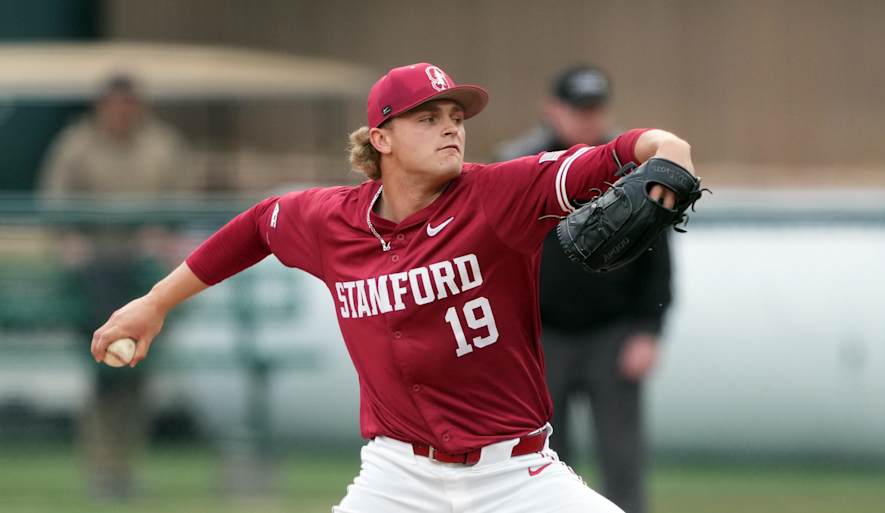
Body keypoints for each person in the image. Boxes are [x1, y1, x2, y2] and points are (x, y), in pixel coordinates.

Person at [89, 62, 694, 513]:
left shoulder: (499, 194)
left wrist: (669, 150)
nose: (450, 129)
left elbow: (619, 151)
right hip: (397, 477)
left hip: (514, 476)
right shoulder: (332, 221)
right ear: (380, 139)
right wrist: (154, 303)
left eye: (455, 118)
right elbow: (256, 227)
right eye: (428, 119)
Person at [496, 65, 672, 513]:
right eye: (578, 109)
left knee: (622, 457)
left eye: (595, 108)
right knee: (542, 461)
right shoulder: (517, 165)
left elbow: (658, 259)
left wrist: (648, 329)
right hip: (540, 336)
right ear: (552, 109)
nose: (587, 118)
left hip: (612, 333)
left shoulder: (635, 168)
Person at [39, 74, 190, 499]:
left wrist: (162, 235)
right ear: (101, 105)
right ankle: (102, 467)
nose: (121, 111)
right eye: (114, 103)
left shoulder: (162, 145)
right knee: (103, 373)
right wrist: (71, 243)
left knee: (138, 373)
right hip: (95, 274)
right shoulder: (76, 145)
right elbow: (55, 204)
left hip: (146, 275)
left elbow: (180, 201)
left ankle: (126, 466)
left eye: (128, 103)